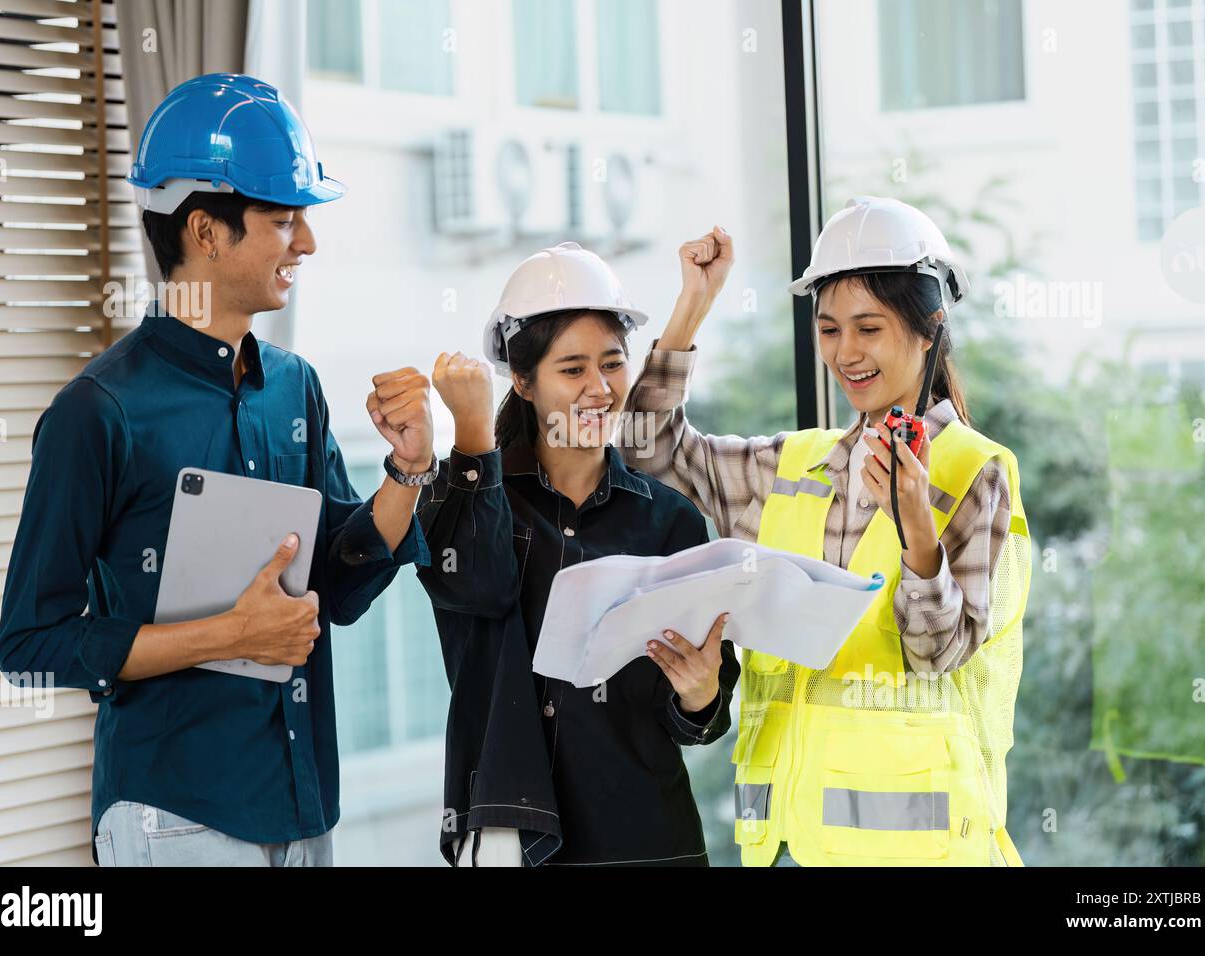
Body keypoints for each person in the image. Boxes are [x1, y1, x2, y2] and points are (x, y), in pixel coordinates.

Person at [0, 74, 435, 866]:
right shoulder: (97, 411)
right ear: (205, 230)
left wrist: (407, 471)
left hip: (302, 806)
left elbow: (336, 587)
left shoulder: (293, 387)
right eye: (282, 219)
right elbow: (32, 642)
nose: (306, 243)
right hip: (176, 816)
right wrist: (229, 635)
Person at [620, 199, 1032, 866]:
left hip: (918, 854)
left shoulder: (973, 473)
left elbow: (937, 655)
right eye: (830, 329)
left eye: (868, 327)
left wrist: (917, 534)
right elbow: (645, 447)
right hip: (784, 846)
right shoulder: (791, 467)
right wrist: (693, 303)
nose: (846, 353)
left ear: (929, 329)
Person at [416, 242, 741, 866]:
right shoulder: (467, 500)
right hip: (515, 841)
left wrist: (699, 694)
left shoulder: (667, 519)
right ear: (522, 379)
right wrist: (473, 439)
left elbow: (701, 717)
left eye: (613, 364)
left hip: (649, 843)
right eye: (572, 370)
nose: (600, 389)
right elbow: (477, 589)